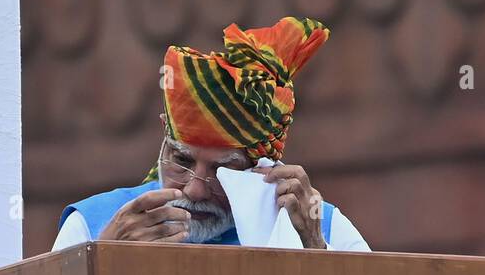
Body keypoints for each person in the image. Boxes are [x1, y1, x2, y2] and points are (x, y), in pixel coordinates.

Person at [53, 17, 370, 252]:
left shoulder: (323, 229)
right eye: (181, 159)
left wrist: (314, 250)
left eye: (224, 169)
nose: (195, 189)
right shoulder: (91, 226)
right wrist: (102, 258)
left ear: (263, 164)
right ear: (164, 136)